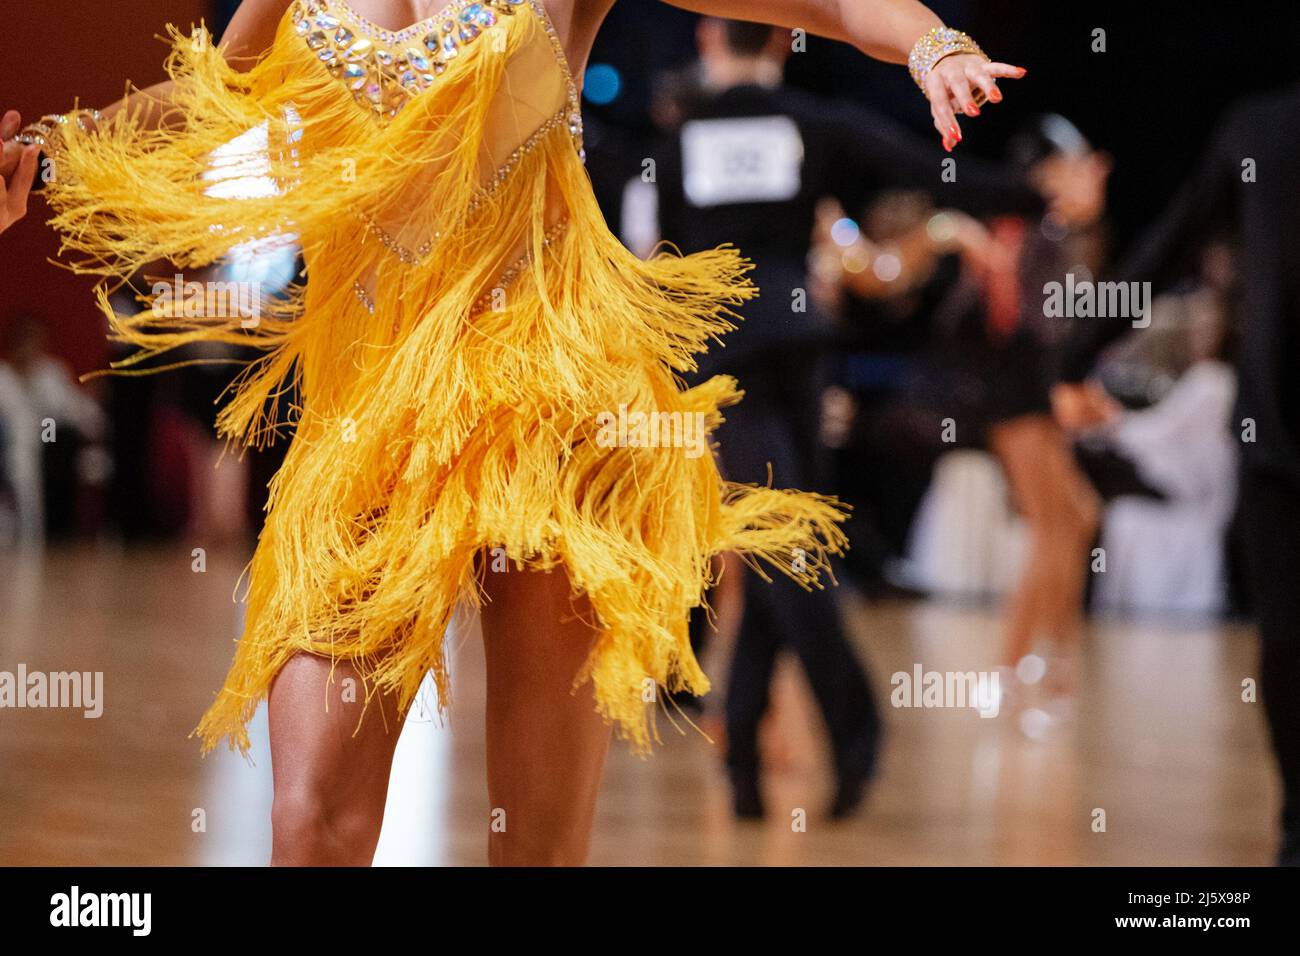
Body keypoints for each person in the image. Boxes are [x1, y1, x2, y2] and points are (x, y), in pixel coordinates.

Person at [6, 0, 1022, 865]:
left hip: (553, 413)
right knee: (308, 825)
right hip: (367, 425)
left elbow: (830, 8)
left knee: (533, 843)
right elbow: (202, 101)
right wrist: (44, 152)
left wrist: (931, 42)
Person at [649, 17, 1033, 818]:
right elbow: (926, 171)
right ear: (783, 45)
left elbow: (667, 265)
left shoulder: (678, 142)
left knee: (783, 549)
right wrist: (1030, 196)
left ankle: (811, 743)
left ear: (710, 41)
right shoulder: (811, 123)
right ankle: (783, 752)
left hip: (727, 365)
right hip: (800, 351)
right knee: (789, 546)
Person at [1056, 82, 1300, 865]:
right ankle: (1297, 818)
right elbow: (1171, 244)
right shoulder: (1259, 127)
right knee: (1287, 647)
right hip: (1279, 437)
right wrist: (1070, 353)